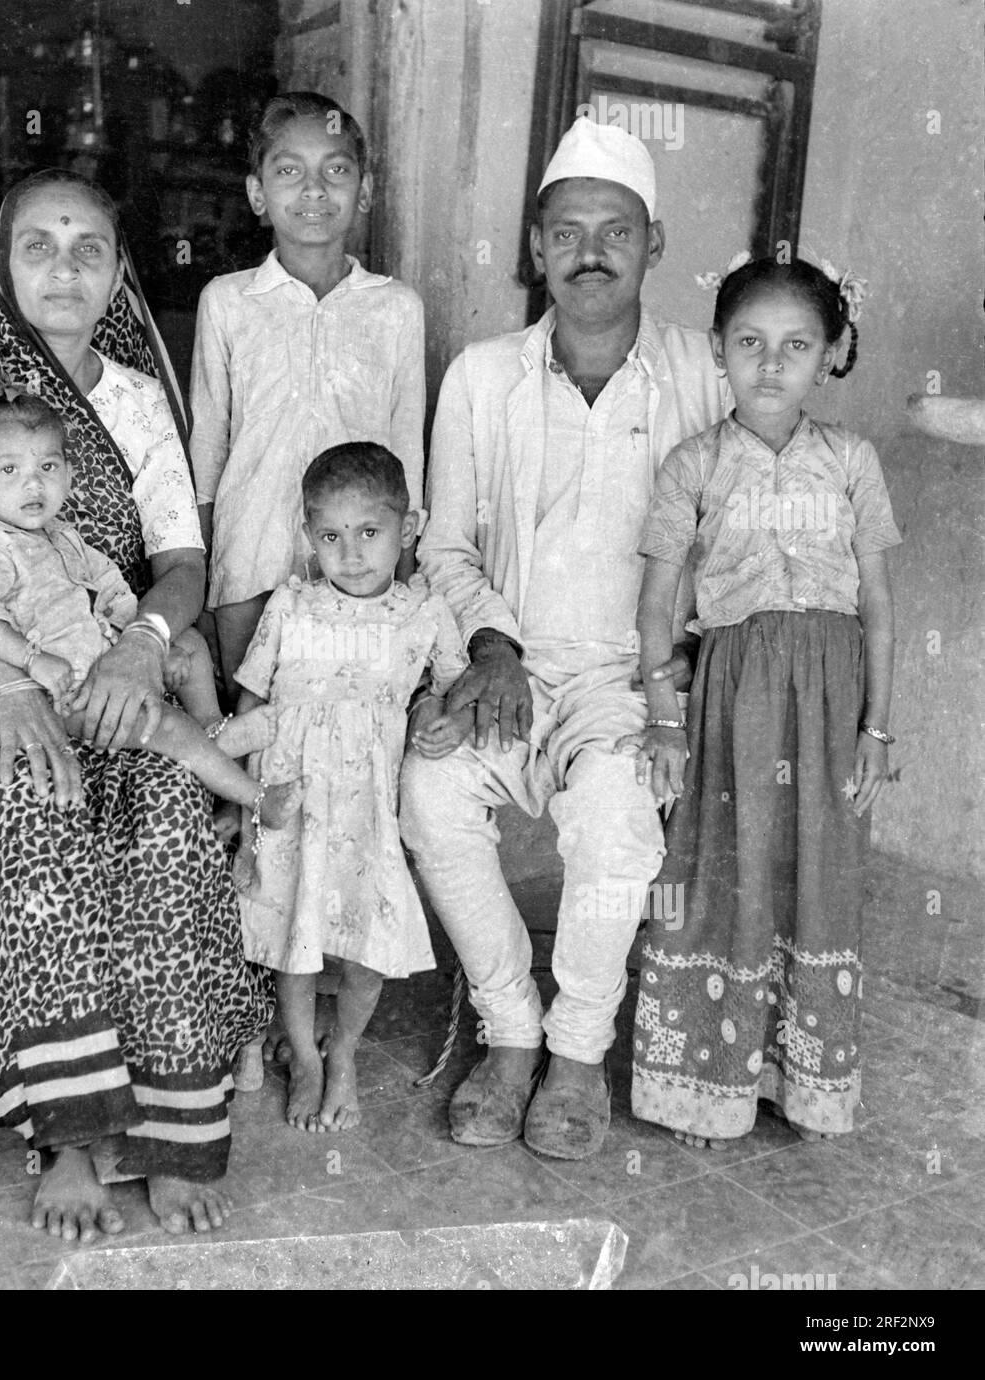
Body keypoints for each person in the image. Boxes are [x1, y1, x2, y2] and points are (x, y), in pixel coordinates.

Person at [0, 168, 270, 1242]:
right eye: (38, 245)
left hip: (103, 649)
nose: (64, 266)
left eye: (88, 247)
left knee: (164, 815)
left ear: (117, 272)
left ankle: (181, 1135)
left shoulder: (139, 397)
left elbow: (180, 556)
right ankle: (70, 1135)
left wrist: (143, 647)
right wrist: (4, 680)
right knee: (39, 807)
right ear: (3, 262)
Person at [399, 115, 731, 1159]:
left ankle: (578, 1051)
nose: (591, 251)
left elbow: (733, 535)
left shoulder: (705, 374)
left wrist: (680, 672)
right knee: (428, 793)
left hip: (631, 679)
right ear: (535, 246)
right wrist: (488, 648)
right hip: (502, 662)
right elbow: (443, 546)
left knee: (617, 823)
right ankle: (508, 1033)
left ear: (653, 245)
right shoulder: (481, 376)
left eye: (616, 230)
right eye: (568, 230)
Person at [622, 253, 898, 1146]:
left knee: (815, 874)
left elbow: (881, 605)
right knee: (717, 873)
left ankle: (803, 1082)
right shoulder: (694, 464)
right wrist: (666, 716)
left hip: (830, 692)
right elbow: (657, 601)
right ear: (717, 352)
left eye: (795, 345)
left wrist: (876, 729)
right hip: (734, 691)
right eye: (750, 343)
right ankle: (707, 1084)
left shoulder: (852, 460)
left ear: (830, 356)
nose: (771, 364)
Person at [232, 443, 469, 1132]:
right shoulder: (292, 603)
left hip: (371, 812)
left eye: (370, 532)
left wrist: (435, 717)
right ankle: (306, 1054)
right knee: (294, 938)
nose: (352, 553)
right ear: (308, 536)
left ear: (409, 527)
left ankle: (346, 1053)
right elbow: (251, 704)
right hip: (292, 802)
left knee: (369, 942)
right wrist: (243, 801)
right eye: (331, 536)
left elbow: (447, 689)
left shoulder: (422, 612)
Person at [0, 386, 298, 824]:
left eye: (47, 466)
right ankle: (254, 798)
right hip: (68, 692)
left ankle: (213, 729)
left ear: (69, 476)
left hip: (105, 659)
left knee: (188, 641)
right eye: (9, 469)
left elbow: (110, 588)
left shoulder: (63, 536)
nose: (33, 483)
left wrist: (148, 643)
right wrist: (32, 662)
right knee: (164, 724)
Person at [190, 91, 426, 695]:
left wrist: (402, 569)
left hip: (359, 566)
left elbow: (406, 447)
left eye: (336, 170)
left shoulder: (396, 308)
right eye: (289, 170)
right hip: (251, 560)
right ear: (256, 195)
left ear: (365, 192)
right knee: (253, 724)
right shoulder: (227, 300)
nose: (314, 189)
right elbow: (208, 447)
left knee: (351, 726)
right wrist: (204, 572)